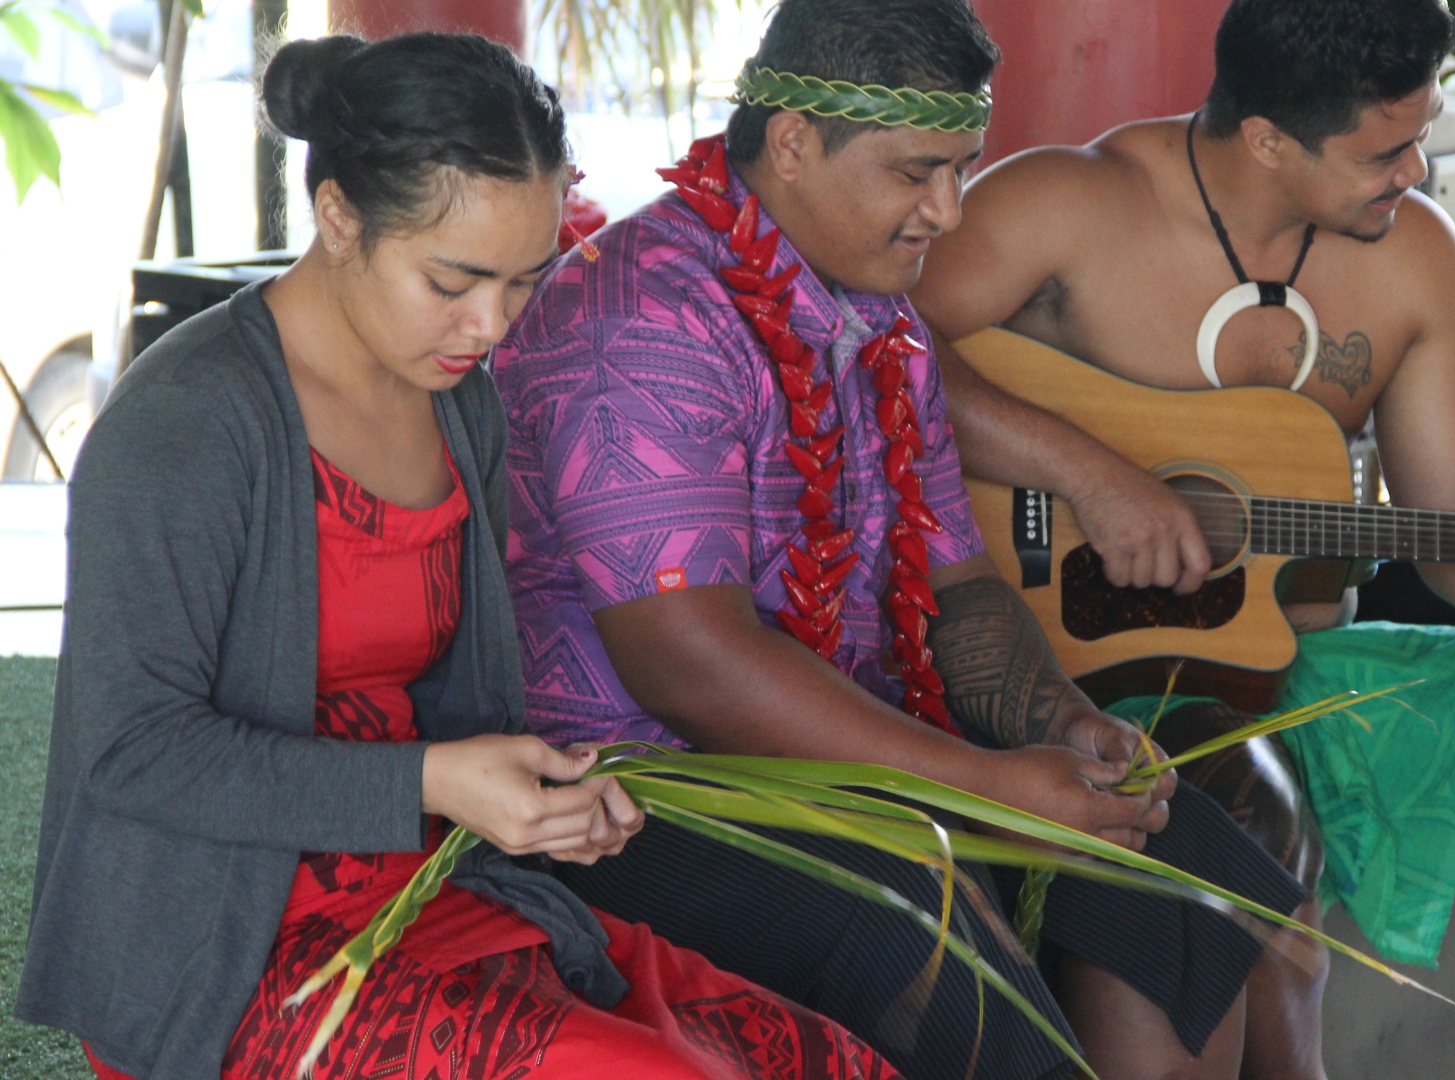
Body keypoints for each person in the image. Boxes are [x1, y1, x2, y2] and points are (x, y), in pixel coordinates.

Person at [907, 0, 1455, 1077]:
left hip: (1312, 671)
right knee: (1249, 826)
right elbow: (879, 354)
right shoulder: (1067, 204)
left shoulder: (1413, 260)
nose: (1414, 170)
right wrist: (1094, 476)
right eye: (1386, 148)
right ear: (1269, 138)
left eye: (1418, 135)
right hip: (1092, 681)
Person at [15, 33, 899, 1080]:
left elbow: (459, 709)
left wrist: (540, 797)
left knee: (817, 1059)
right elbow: (134, 753)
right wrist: (437, 780)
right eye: (454, 280)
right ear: (339, 217)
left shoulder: (457, 403)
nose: (489, 326)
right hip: (229, 950)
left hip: (434, 887)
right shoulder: (190, 419)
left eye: (524, 282)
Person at [493, 2, 1312, 1077]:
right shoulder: (644, 318)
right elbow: (691, 666)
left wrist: (1060, 727)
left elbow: (958, 584)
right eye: (917, 172)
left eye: (961, 169)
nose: (947, 209)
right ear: (791, 143)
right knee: (909, 907)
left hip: (833, 753)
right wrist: (985, 787)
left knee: (1174, 849)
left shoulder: (880, 313)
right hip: (625, 795)